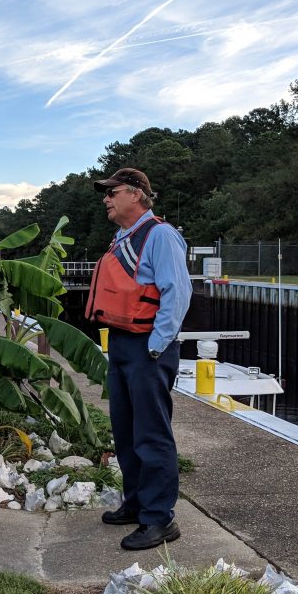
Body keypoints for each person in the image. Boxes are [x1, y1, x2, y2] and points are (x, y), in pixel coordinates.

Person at [85, 168, 193, 551]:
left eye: (111, 192)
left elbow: (176, 294)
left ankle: (159, 519)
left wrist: (155, 346)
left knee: (151, 434)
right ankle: (136, 504)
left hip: (148, 347)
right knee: (127, 432)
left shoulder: (161, 236)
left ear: (135, 193)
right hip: (123, 345)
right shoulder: (122, 239)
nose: (106, 199)